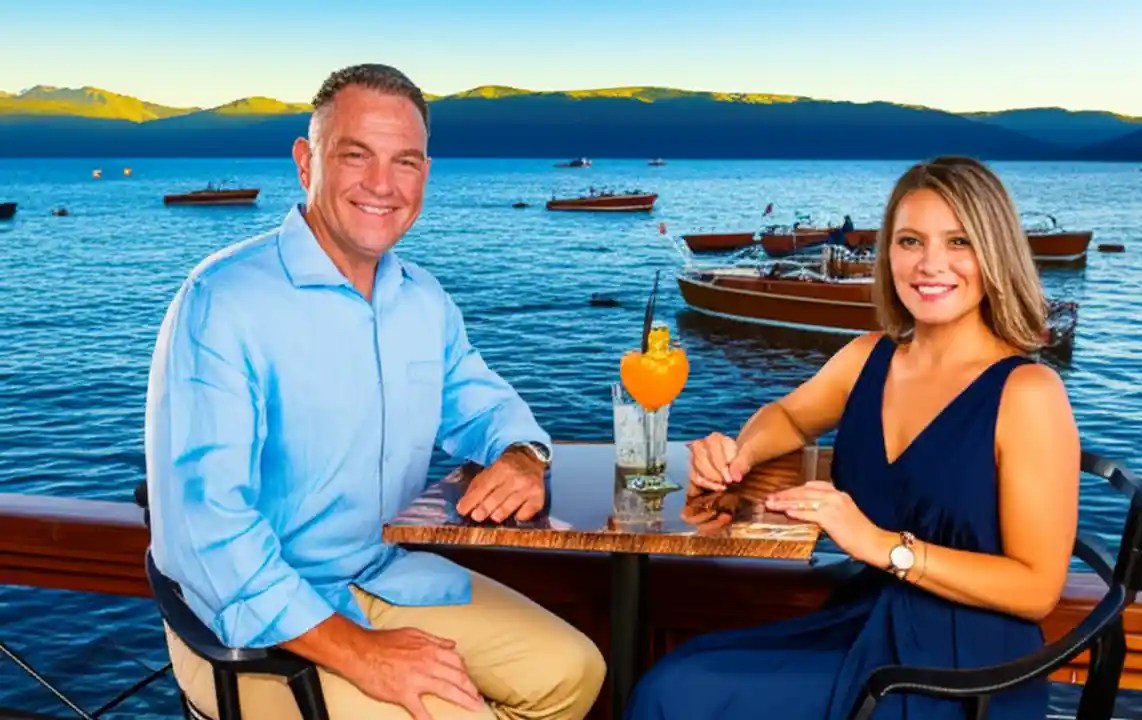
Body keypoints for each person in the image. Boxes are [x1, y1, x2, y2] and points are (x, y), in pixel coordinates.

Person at [145, 63, 605, 720]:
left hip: (374, 576)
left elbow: (485, 402)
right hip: (244, 630)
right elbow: (209, 534)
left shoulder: (422, 299)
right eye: (355, 156)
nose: (383, 185)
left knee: (575, 671)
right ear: (306, 163)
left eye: (406, 162)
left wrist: (522, 455)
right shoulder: (221, 302)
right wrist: (362, 652)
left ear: (426, 174)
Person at [626, 156, 1080, 720]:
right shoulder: (868, 356)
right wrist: (737, 455)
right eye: (910, 241)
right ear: (887, 252)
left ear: (995, 253)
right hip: (866, 619)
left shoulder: (1028, 392)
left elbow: (1038, 588)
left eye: (958, 241)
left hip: (964, 671)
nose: (930, 264)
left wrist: (878, 543)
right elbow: (789, 418)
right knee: (679, 668)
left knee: (678, 690)